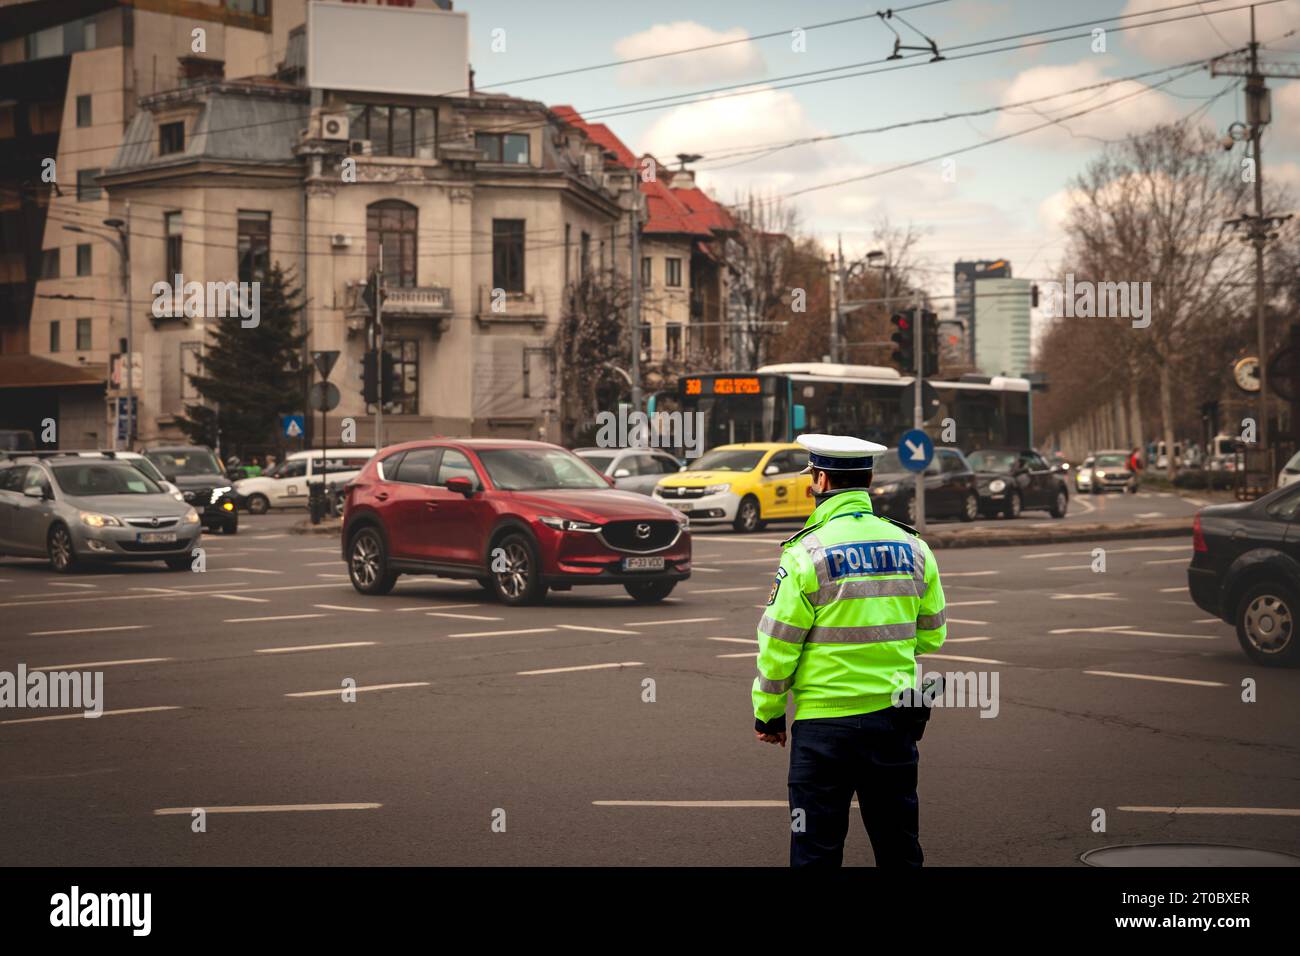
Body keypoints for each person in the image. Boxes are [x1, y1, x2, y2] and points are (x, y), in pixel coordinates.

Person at [753, 433, 947, 867]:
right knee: (898, 849)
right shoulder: (914, 547)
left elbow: (778, 644)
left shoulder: (806, 552)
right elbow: (932, 634)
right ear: (869, 479)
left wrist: (768, 712)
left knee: (816, 852)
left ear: (820, 481)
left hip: (824, 728)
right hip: (894, 722)